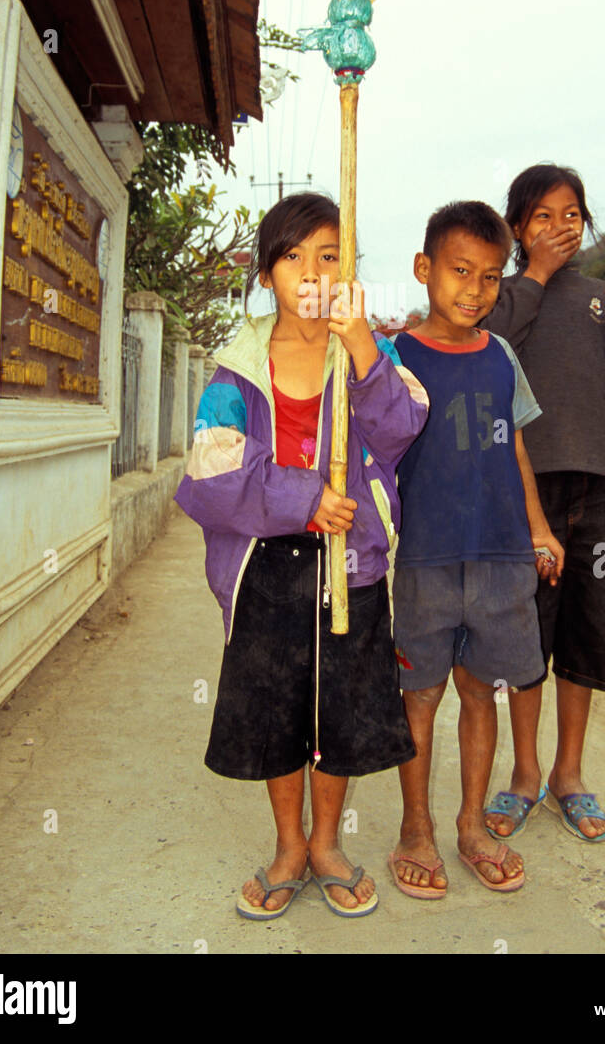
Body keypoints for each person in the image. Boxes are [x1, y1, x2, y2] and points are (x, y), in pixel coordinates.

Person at [174, 193, 427, 920]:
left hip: (352, 567)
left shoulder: (373, 352)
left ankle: (326, 845)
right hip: (266, 572)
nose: (311, 272)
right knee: (276, 713)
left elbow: (403, 427)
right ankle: (288, 845)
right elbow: (211, 465)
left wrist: (362, 349)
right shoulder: (237, 367)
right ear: (265, 273)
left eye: (328, 256)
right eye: (293, 256)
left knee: (339, 714)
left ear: (349, 271)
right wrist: (304, 498)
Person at [387, 201, 564, 898]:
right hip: (424, 559)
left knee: (480, 692)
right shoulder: (395, 358)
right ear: (424, 269)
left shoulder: (500, 356)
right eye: (461, 272)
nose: (475, 290)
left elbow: (515, 445)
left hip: (498, 555)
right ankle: (415, 829)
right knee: (420, 696)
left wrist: (540, 529)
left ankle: (469, 825)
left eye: (491, 277)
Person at [480, 164, 605, 844]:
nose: (560, 227)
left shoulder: (602, 300)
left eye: (571, 213)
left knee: (588, 632)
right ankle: (523, 775)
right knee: (527, 638)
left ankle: (568, 777)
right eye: (543, 216)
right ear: (517, 227)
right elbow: (491, 352)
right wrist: (536, 278)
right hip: (528, 492)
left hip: (600, 491)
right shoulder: (501, 297)